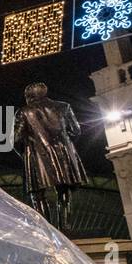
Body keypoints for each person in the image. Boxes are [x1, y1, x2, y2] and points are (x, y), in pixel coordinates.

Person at [11, 82, 86, 233]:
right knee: (64, 192)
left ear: (29, 96)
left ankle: (47, 230)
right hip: (64, 154)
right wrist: (65, 144)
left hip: (37, 156)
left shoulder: (24, 112)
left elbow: (15, 139)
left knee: (38, 194)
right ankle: (65, 227)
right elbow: (76, 131)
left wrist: (27, 153)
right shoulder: (64, 107)